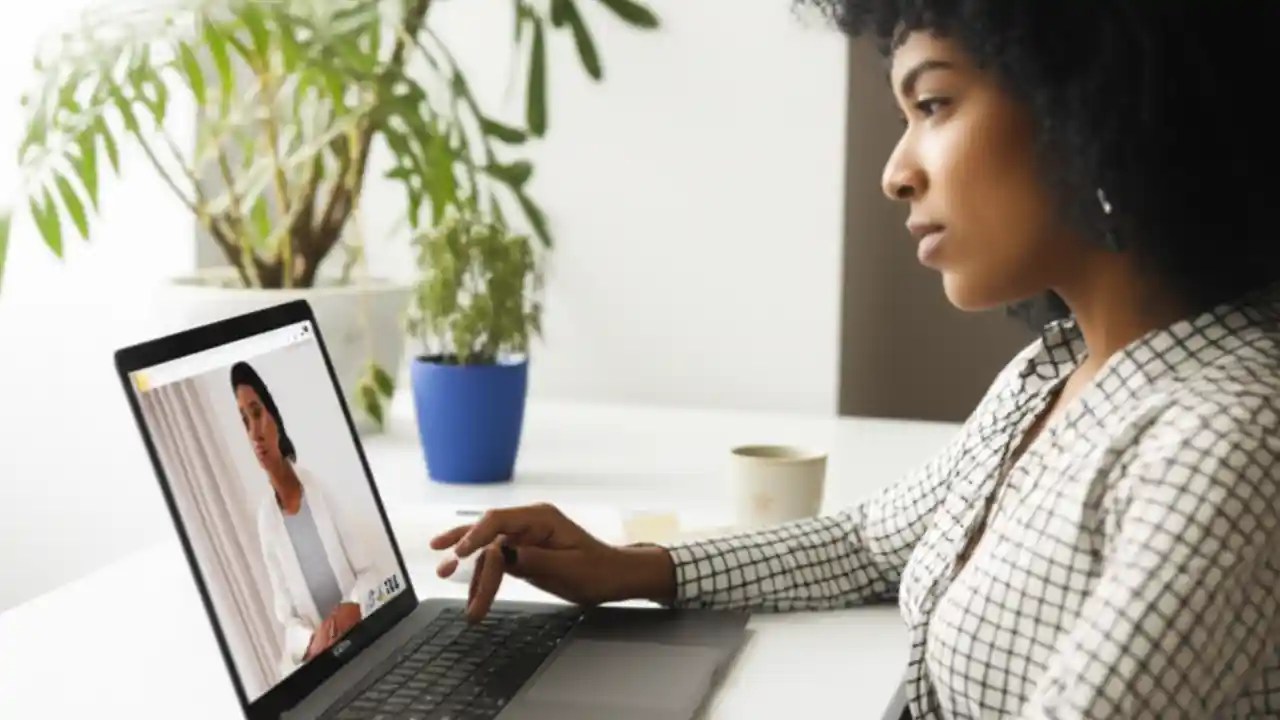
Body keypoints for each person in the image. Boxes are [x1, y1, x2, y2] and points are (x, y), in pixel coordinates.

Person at [431, 1, 1280, 717]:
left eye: (935, 105)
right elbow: (875, 544)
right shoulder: (1054, 373)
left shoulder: (1225, 440)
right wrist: (636, 570)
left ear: (1093, 102)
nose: (896, 173)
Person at [231, 361, 380, 676]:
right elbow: (288, 620)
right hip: (320, 662)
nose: (254, 433)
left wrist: (352, 607)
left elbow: (368, 571)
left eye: (257, 413)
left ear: (275, 418)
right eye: (245, 421)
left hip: (362, 640)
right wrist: (314, 641)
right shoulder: (266, 522)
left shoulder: (321, 489)